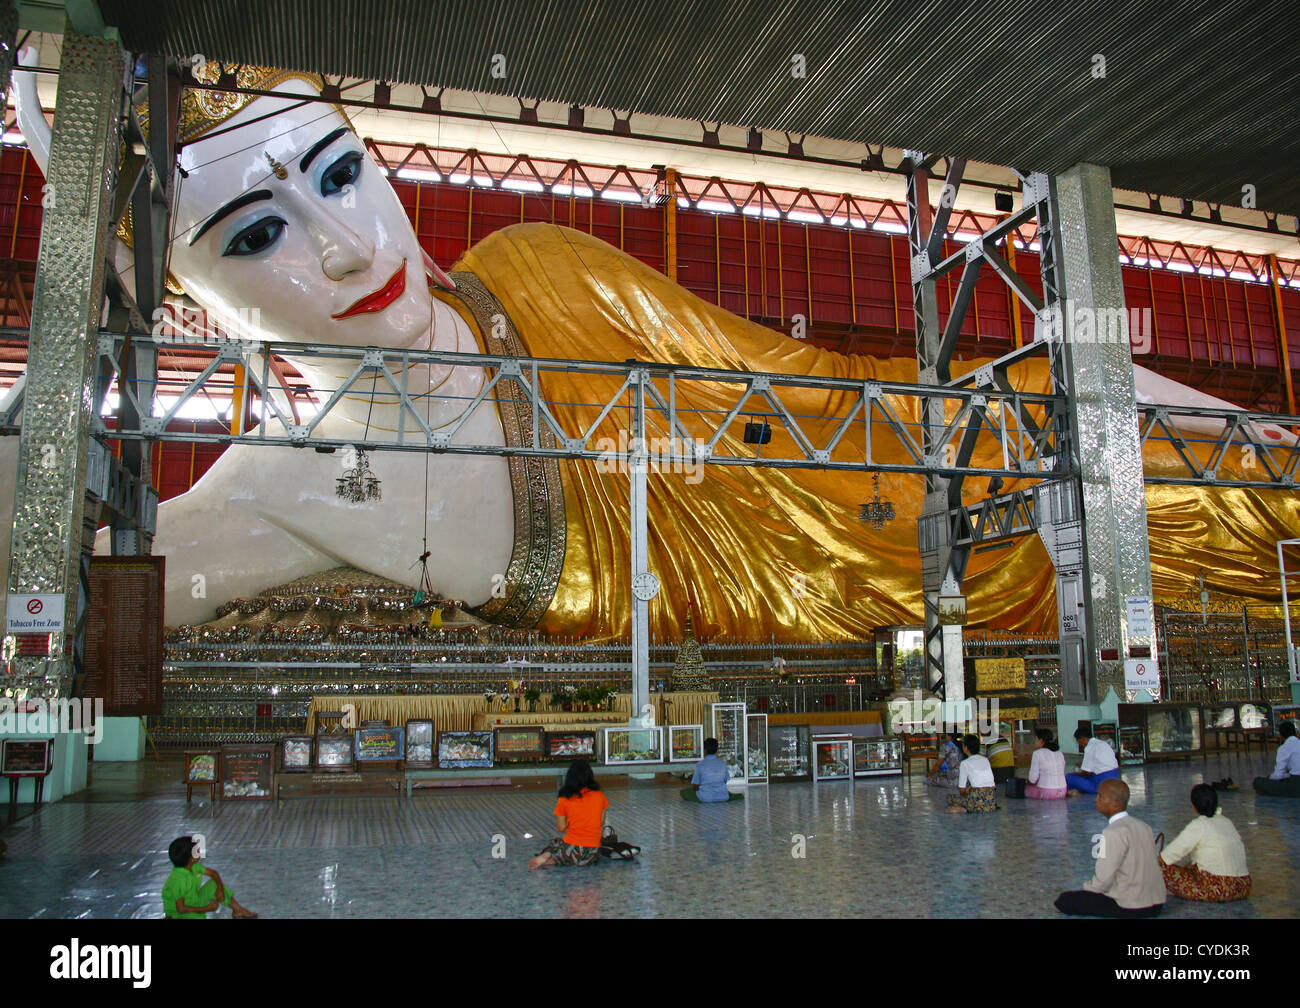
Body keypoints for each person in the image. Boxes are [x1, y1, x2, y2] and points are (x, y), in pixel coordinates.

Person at [5, 57, 1291, 644]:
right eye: (261, 234)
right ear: (175, 292)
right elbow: (56, 574)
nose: (346, 248)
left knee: (1091, 408)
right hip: (849, 599)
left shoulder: (531, 264)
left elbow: (797, 386)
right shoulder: (280, 488)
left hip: (880, 478)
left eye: (346, 174)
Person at [1054, 778, 1165, 917]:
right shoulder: (1143, 826)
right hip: (1157, 903)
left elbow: (1103, 878)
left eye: (1101, 796)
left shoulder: (1112, 832)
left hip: (1133, 906)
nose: (1096, 800)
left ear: (1116, 805)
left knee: (1065, 900)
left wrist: (1087, 890)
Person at [1159, 784, 1251, 901]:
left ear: (1193, 805)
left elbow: (1171, 853)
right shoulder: (1226, 821)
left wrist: (1157, 864)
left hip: (1219, 889)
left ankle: (1168, 888)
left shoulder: (1199, 825)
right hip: (1243, 886)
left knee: (1159, 868)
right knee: (1191, 866)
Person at [529, 759, 611, 869]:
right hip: (592, 849)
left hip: (571, 845)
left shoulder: (564, 798)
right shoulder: (600, 796)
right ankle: (556, 859)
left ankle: (550, 856)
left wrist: (572, 820)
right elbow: (600, 822)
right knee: (577, 855)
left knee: (556, 843)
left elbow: (561, 827)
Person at [161, 835, 257, 918]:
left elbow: (213, 873)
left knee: (214, 885)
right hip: (179, 913)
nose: (200, 851)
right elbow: (181, 909)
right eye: (197, 850)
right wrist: (207, 908)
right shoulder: (179, 879)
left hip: (193, 901)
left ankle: (238, 910)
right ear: (191, 858)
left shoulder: (194, 866)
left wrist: (219, 888)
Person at [946, 734, 997, 814]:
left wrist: (968, 792)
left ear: (966, 748)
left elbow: (962, 790)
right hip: (990, 802)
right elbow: (993, 786)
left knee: (950, 798)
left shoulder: (965, 763)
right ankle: (971, 807)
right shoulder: (985, 760)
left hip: (976, 801)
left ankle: (966, 809)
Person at [682, 737, 741, 802]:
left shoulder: (700, 764)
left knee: (684, 792)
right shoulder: (722, 763)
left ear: (705, 750)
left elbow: (695, 785)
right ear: (716, 750)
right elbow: (725, 781)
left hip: (706, 797)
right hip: (723, 796)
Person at [1066, 726, 1120, 795]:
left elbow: (1086, 773)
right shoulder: (1103, 743)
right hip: (1116, 780)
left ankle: (1073, 791)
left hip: (1102, 784)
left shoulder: (1089, 747)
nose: (1080, 744)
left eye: (1078, 742)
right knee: (1088, 778)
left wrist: (1076, 774)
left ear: (1082, 739)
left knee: (1069, 777)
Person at [1253, 719, 1300, 796]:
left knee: (1257, 782)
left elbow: (1279, 775)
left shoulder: (1284, 748)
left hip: (1296, 785)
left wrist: (1270, 777)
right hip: (1294, 779)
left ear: (1281, 735)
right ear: (1295, 733)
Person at [1025, 729, 1068, 800]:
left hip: (1047, 792)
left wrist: (1027, 782)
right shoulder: (1059, 753)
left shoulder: (1037, 753)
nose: (1035, 742)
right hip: (1063, 791)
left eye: (1036, 739)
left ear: (1041, 741)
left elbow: (1032, 779)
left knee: (1027, 789)